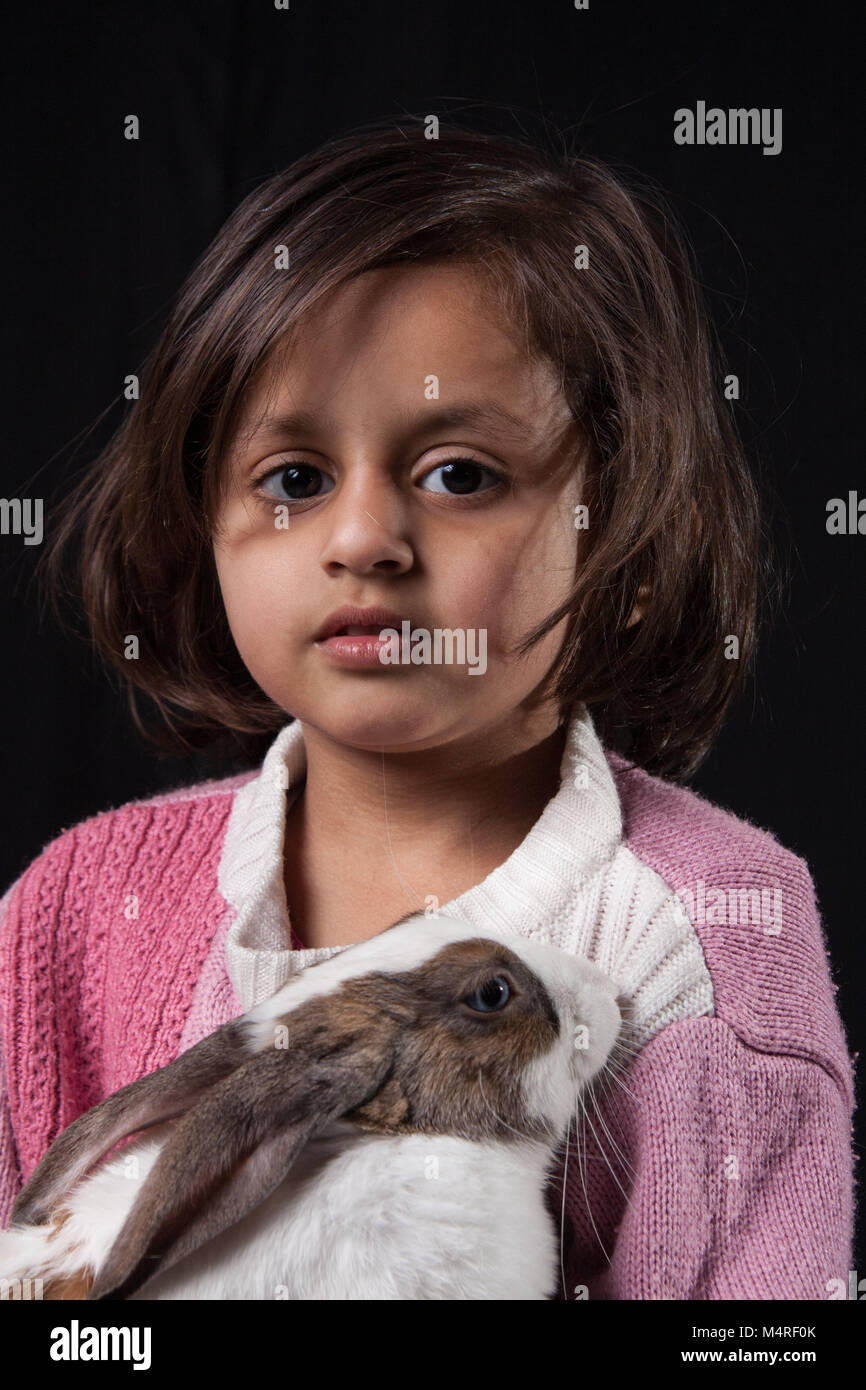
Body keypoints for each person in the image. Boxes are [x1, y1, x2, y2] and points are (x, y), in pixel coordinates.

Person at [0, 120, 855, 1299]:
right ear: (206, 532)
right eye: (293, 480)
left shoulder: (703, 942)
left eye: (459, 473)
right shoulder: (75, 912)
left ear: (627, 539)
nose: (362, 541)